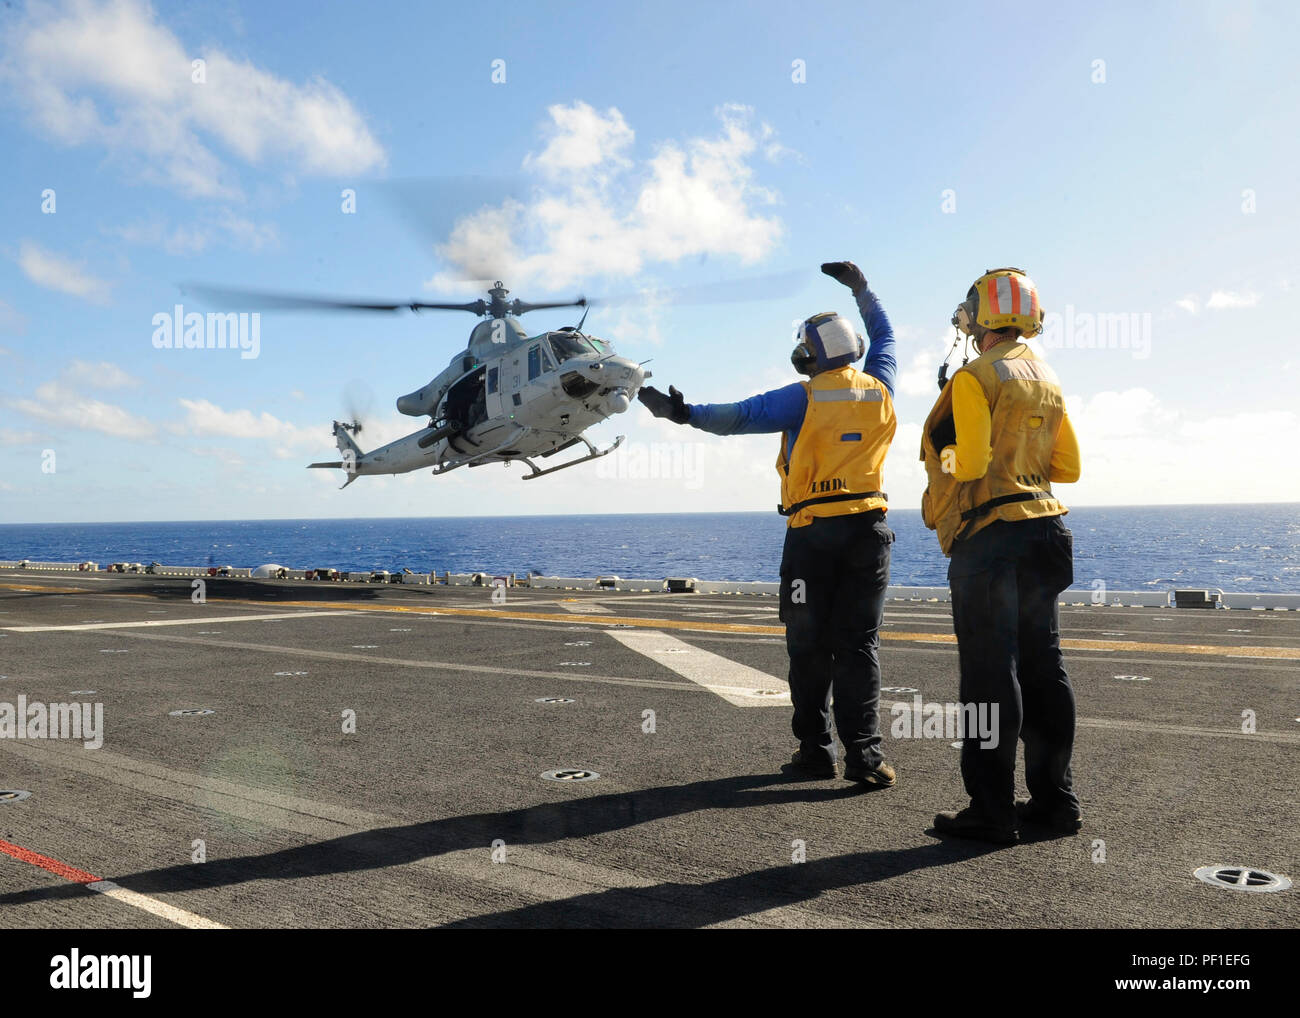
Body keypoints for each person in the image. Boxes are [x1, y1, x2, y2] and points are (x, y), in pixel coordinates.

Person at [639, 262, 899, 787]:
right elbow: (886, 335)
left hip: (812, 538)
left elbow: (738, 415)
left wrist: (683, 413)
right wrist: (862, 290)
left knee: (807, 647)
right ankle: (865, 760)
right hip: (869, 532)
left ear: (809, 354)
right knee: (859, 648)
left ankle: (815, 751)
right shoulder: (881, 385)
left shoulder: (804, 396)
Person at [919, 267, 1082, 843]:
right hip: (1047, 530)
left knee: (991, 676)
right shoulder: (1047, 377)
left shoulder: (974, 376)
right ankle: (1056, 804)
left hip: (992, 537)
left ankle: (991, 810)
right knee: (1044, 668)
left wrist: (943, 461)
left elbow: (964, 465)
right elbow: (1068, 469)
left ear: (981, 316)